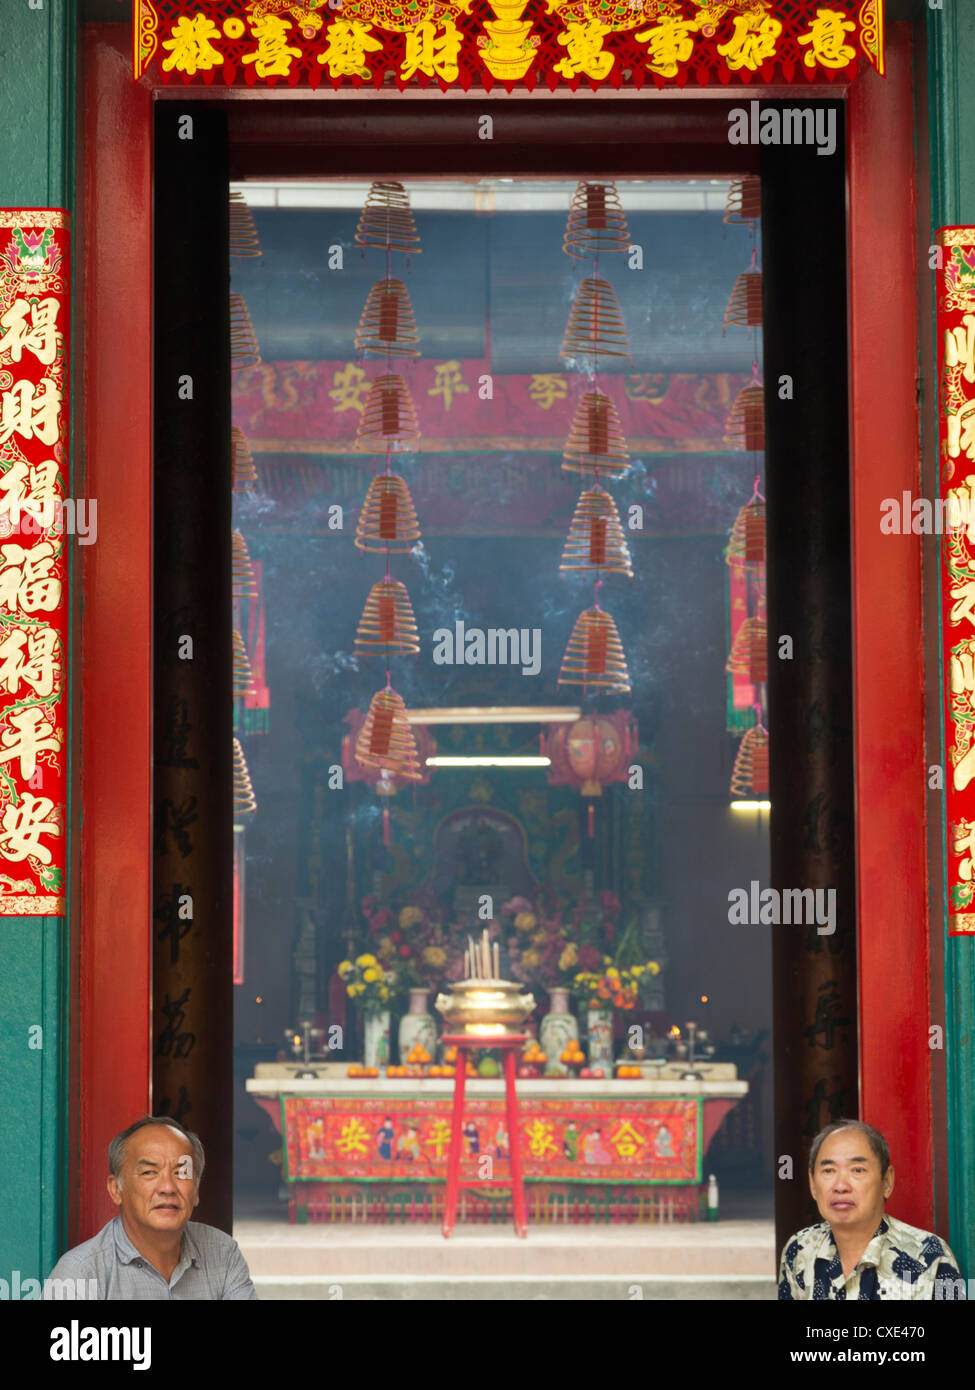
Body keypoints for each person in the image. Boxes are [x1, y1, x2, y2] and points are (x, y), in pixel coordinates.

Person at [47, 1115, 258, 1300]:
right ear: (116, 1189)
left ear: (196, 1190)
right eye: (149, 1172)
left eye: (181, 1173)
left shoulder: (222, 1252)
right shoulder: (80, 1273)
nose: (167, 1187)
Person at [778, 1119, 964, 1300]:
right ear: (812, 1184)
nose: (840, 1186)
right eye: (828, 1171)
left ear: (887, 1181)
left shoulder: (931, 1255)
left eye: (857, 1170)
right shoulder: (799, 1250)